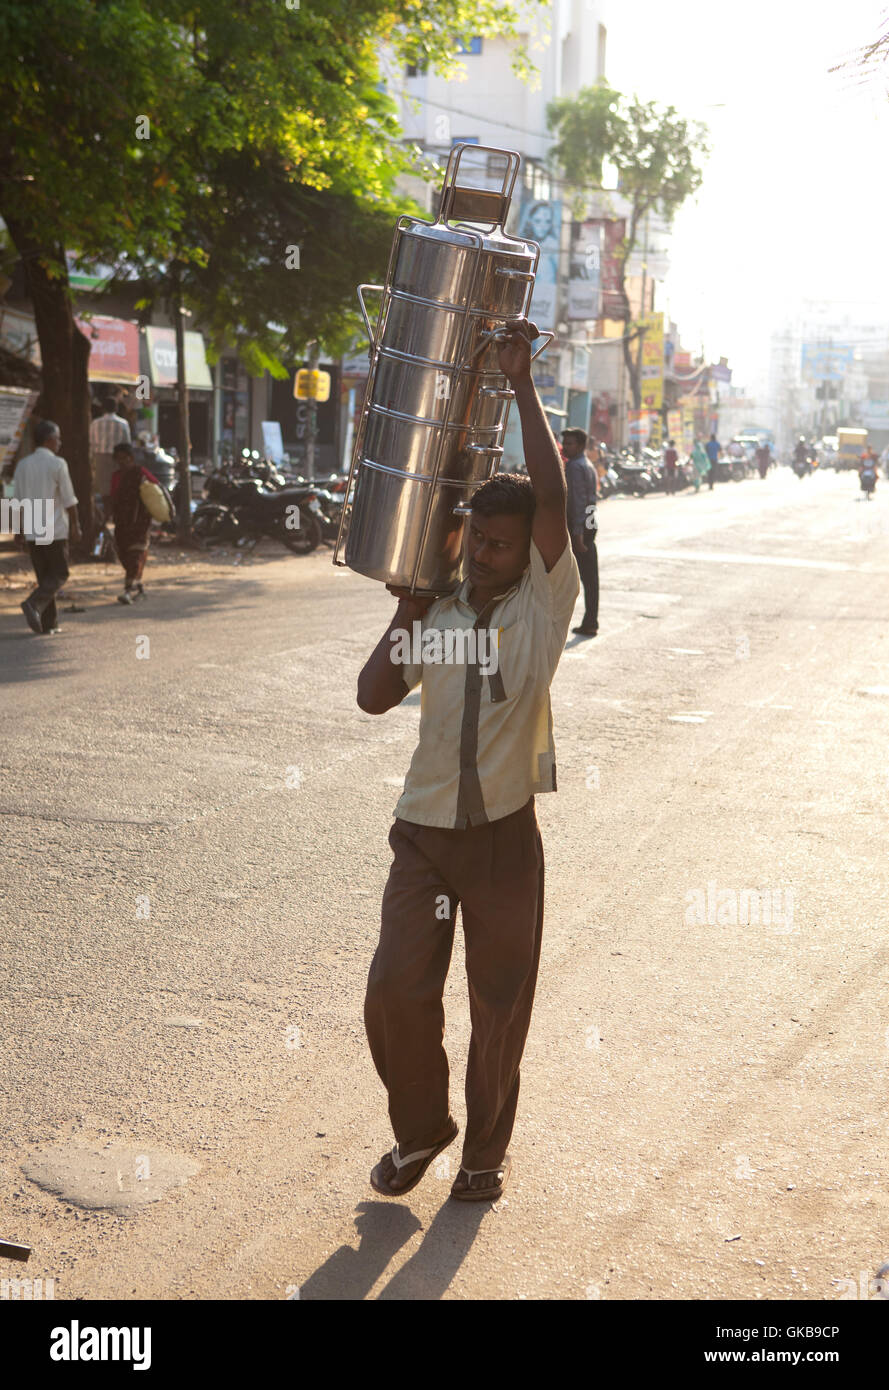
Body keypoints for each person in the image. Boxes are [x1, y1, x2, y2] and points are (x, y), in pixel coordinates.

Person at [357, 319, 580, 1203]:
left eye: (501, 544)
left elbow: (557, 505)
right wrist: (407, 608)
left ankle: (484, 1154)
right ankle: (423, 1132)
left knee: (499, 1010)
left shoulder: (542, 605)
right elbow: (375, 695)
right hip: (423, 838)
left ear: (527, 548)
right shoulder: (440, 615)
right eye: (476, 541)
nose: (485, 556)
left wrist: (522, 384)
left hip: (502, 840)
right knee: (394, 994)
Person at [12, 419, 80, 634]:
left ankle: (49, 623)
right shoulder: (58, 464)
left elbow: (17, 501)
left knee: (45, 576)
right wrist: (76, 525)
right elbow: (69, 499)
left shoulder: (23, 465)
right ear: (50, 440)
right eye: (58, 438)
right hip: (55, 527)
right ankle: (33, 604)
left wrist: (18, 530)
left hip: (33, 527)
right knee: (60, 573)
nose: (60, 443)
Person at [110, 441, 162, 603]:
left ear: (131, 458)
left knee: (135, 555)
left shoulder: (140, 473)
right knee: (126, 556)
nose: (122, 462)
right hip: (122, 522)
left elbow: (156, 489)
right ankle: (139, 587)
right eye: (118, 459)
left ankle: (127, 591)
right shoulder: (116, 476)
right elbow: (113, 498)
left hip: (140, 521)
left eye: (125, 458)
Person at [561, 427, 599, 637]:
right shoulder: (586, 464)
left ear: (581, 445)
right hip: (590, 523)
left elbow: (577, 503)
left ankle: (589, 621)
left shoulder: (575, 467)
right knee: (591, 578)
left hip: (580, 527)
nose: (566, 447)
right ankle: (590, 620)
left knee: (575, 578)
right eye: (565, 443)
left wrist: (577, 536)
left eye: (570, 443)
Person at [90, 395, 131, 519]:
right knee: (116, 487)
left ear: (102, 409)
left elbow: (91, 443)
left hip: (100, 458)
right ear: (116, 408)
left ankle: (107, 514)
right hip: (117, 459)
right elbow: (127, 445)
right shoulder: (123, 424)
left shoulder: (95, 423)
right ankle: (111, 515)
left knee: (104, 489)